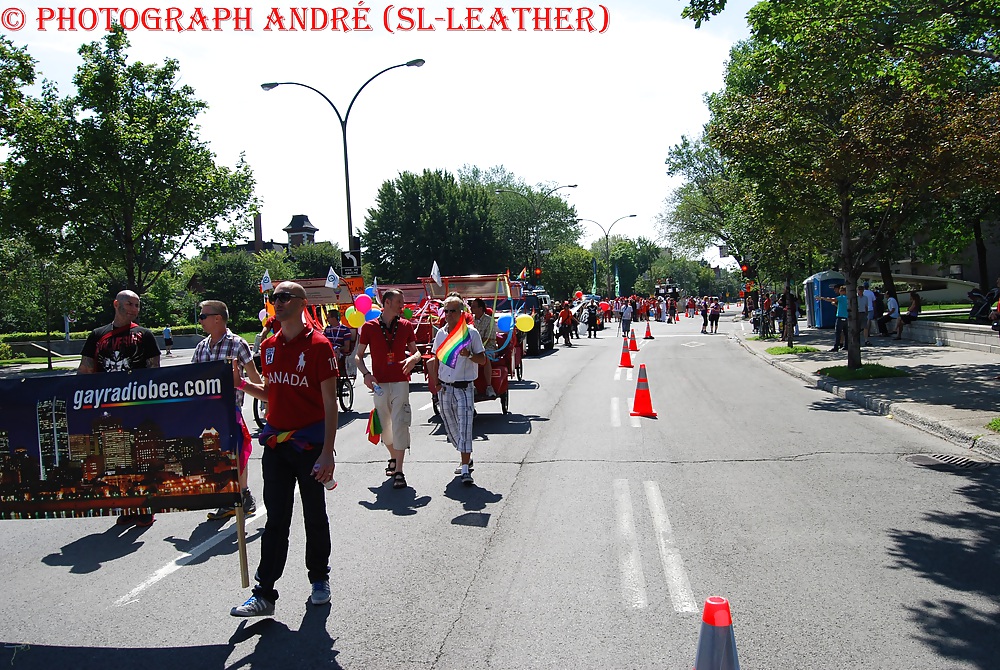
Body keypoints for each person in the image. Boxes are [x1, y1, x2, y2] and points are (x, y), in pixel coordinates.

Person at [229, 282, 339, 618]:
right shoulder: (269, 345)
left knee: (314, 514)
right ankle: (264, 592)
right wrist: (241, 384)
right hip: (276, 444)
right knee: (276, 519)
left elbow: (330, 403)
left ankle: (319, 578)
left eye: (284, 297)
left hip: (309, 445)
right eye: (274, 297)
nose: (277, 302)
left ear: (302, 303)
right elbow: (272, 392)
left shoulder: (319, 345)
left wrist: (327, 452)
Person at [79, 289, 161, 527]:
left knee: (140, 459)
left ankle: (145, 507)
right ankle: (127, 505)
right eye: (129, 304)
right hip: (107, 409)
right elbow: (85, 368)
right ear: (116, 304)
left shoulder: (145, 335)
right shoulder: (97, 335)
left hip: (137, 407)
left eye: (137, 305)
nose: (134, 309)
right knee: (115, 460)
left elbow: (154, 370)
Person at [192, 300, 263, 520]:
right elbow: (190, 378)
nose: (200, 321)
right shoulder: (201, 347)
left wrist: (265, 400)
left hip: (230, 411)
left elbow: (253, 375)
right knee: (215, 457)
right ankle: (228, 497)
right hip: (206, 412)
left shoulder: (237, 344)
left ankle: (243, 495)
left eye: (203, 316)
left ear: (217, 318)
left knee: (237, 453)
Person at [356, 288, 421, 490]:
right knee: (384, 427)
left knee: (400, 423)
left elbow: (416, 352)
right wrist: (366, 374)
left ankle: (399, 470)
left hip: (401, 381)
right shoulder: (369, 327)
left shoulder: (406, 325)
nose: (403, 305)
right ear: (387, 303)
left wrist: (413, 359)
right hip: (379, 384)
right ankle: (393, 456)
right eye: (399, 301)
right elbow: (358, 356)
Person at [427, 296, 487, 485]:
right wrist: (436, 383)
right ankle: (465, 454)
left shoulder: (471, 334)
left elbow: (482, 360)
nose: (448, 314)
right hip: (445, 388)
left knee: (465, 427)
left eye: (452, 311)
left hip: (464, 387)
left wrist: (469, 354)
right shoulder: (441, 334)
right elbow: (436, 359)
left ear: (461, 313)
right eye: (446, 311)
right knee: (451, 427)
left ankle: (465, 469)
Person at [470, 298, 497, 398]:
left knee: (485, 358)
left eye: (474, 307)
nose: (471, 308)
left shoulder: (490, 320)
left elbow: (489, 337)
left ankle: (489, 386)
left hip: (487, 347)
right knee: (467, 357)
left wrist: (476, 342)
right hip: (472, 347)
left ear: (480, 308)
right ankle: (471, 386)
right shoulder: (470, 320)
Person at [820, 285, 850, 351]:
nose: (839, 292)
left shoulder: (841, 297)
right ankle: (846, 346)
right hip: (846, 317)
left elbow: (832, 299)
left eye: (840, 290)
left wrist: (823, 298)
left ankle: (836, 347)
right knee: (846, 333)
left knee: (838, 332)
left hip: (840, 316)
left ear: (843, 291)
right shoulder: (848, 298)